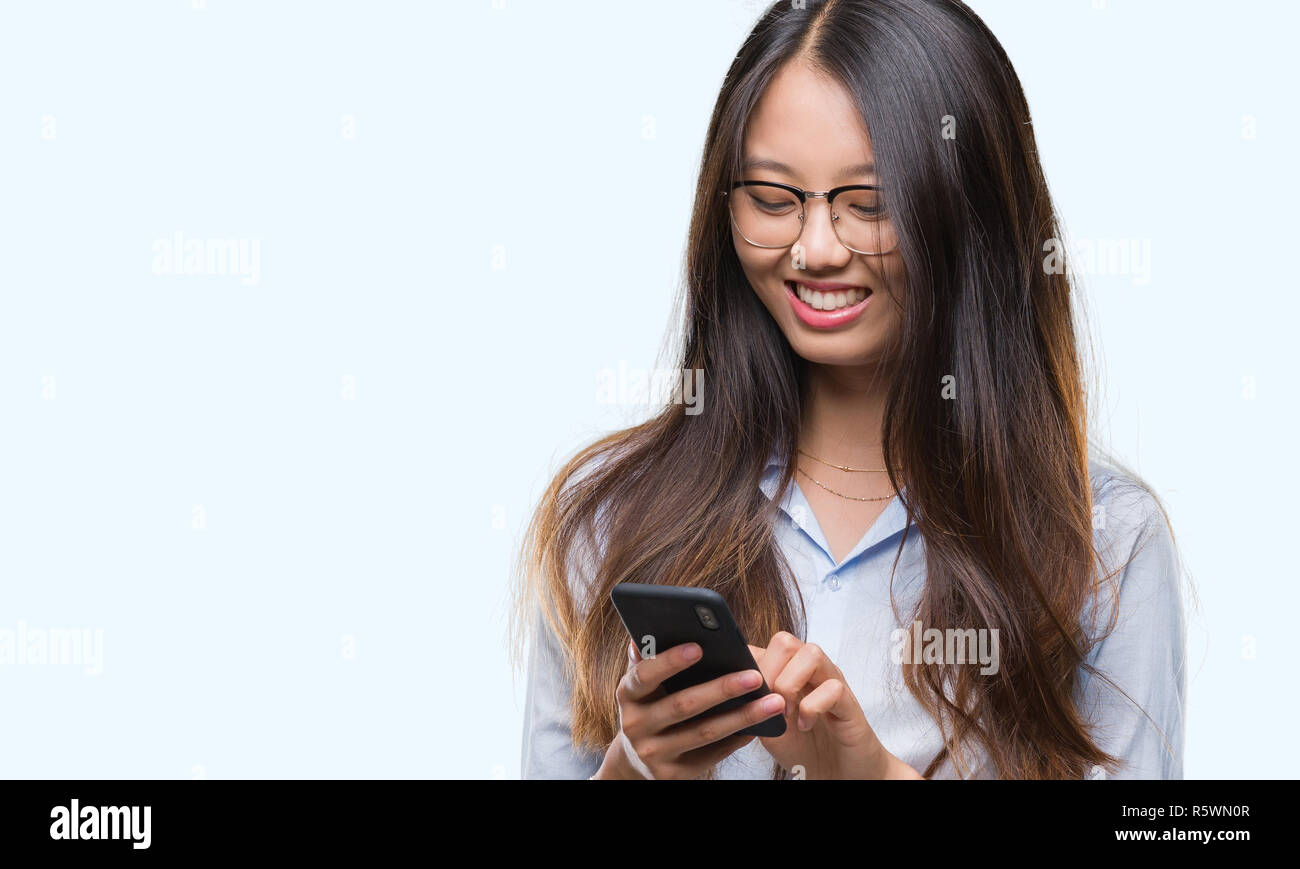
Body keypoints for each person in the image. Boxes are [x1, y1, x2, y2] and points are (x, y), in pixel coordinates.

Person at [512, 0, 1185, 780]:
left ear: (971, 210)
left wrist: (868, 772)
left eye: (869, 204)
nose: (816, 248)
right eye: (772, 199)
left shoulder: (1102, 542)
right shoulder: (604, 518)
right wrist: (638, 767)